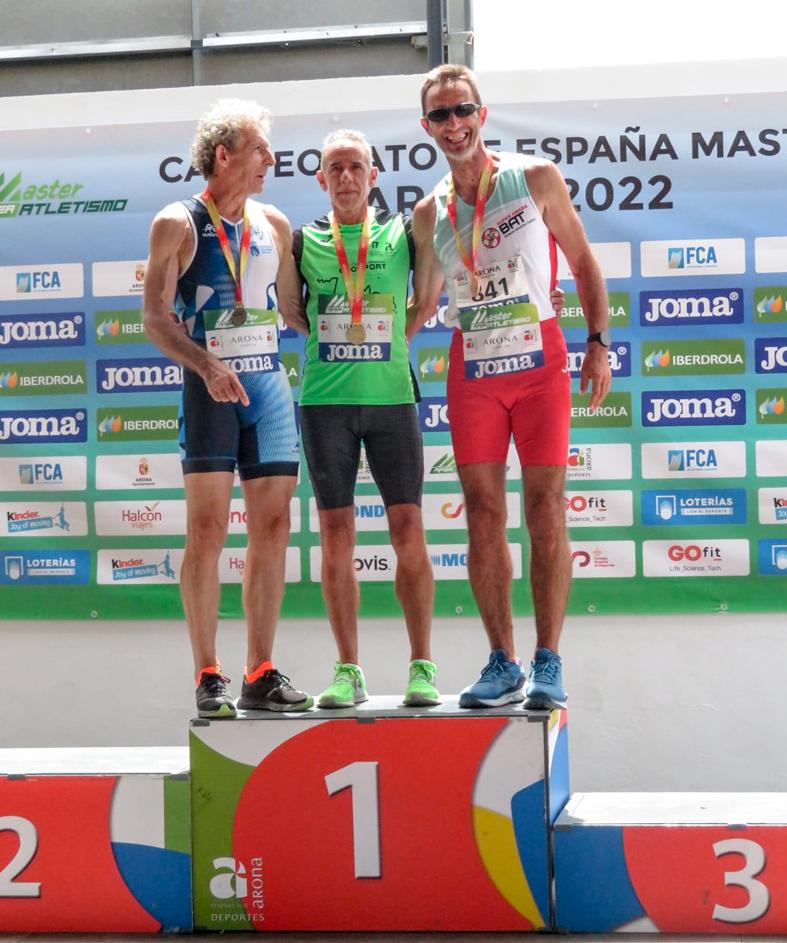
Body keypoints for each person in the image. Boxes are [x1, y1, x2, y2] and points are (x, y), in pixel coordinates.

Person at [409, 65, 611, 711]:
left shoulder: (535, 178)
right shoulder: (427, 212)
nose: (453, 124)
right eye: (440, 115)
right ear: (427, 128)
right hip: (473, 371)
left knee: (546, 507)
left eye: (461, 110)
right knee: (482, 513)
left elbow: (582, 262)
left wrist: (599, 343)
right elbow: (423, 304)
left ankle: (548, 659)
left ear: (482, 114)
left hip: (539, 365)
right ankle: (503, 660)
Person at [143, 99, 313, 717]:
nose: (271, 160)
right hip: (209, 387)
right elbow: (154, 319)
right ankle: (208, 672)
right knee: (208, 530)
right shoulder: (178, 222)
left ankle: (260, 670)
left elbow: (295, 312)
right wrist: (206, 365)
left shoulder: (275, 222)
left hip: (267, 386)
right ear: (225, 154)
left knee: (273, 527)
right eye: (261, 149)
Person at [290, 129, 441, 708]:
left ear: (374, 176)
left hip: (391, 400)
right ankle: (348, 670)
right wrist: (341, 342)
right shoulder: (302, 241)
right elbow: (289, 309)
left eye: (357, 166)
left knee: (408, 529)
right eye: (335, 168)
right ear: (321, 179)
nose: (347, 177)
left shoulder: (401, 231)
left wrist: (388, 343)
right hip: (325, 403)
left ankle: (421, 667)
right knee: (336, 534)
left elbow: (424, 300)